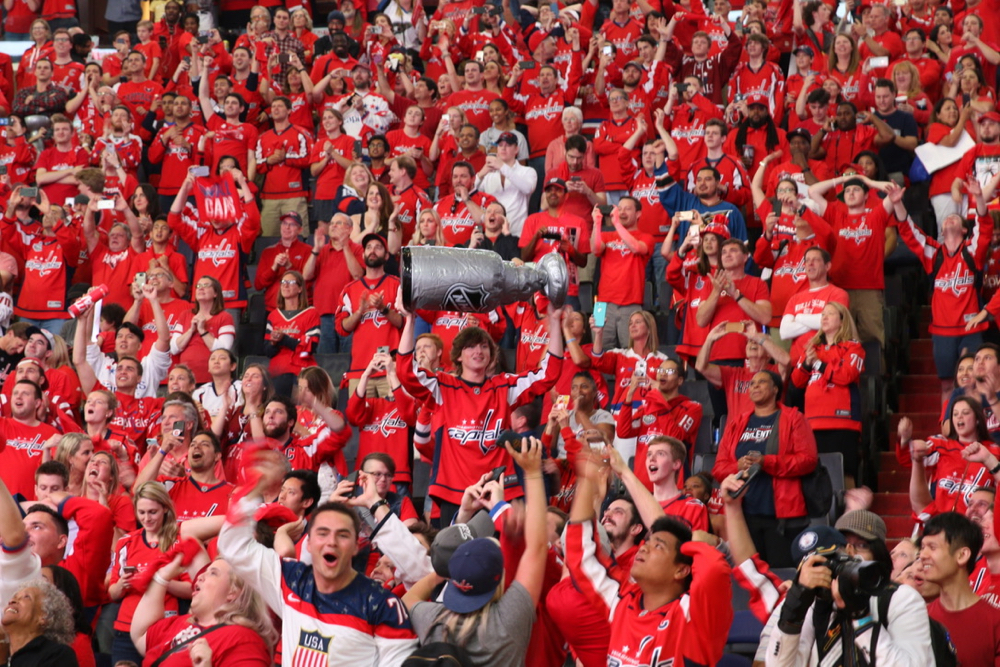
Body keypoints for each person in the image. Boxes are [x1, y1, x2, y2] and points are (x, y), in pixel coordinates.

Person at [218, 451, 419, 666]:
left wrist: (375, 503)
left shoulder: (382, 605)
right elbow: (233, 546)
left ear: (355, 546)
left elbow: (418, 569)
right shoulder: (290, 580)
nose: (331, 541)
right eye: (322, 533)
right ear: (309, 543)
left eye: (342, 535)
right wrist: (254, 488)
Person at [396, 293, 564, 524]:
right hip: (453, 491)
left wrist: (554, 322)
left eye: (484, 346)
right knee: (454, 554)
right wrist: (409, 320)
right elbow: (406, 371)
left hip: (498, 491)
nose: (478, 351)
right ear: (458, 356)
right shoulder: (443, 386)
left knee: (501, 556)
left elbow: (549, 373)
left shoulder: (505, 386)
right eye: (470, 347)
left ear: (491, 354)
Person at [565, 447, 733, 667]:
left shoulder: (694, 615)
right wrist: (586, 481)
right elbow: (580, 557)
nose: (644, 548)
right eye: (647, 542)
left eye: (658, 546)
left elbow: (714, 571)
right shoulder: (621, 601)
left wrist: (695, 542)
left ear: (681, 570)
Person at [403, 436, 547, 666]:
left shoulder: (433, 620)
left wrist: (448, 567)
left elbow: (408, 598)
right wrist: (532, 471)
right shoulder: (509, 620)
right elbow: (538, 546)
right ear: (498, 578)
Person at [764, 522, 933, 665]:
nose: (824, 572)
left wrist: (861, 618)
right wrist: (794, 612)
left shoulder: (901, 598)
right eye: (813, 567)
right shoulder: (807, 604)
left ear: (850, 552)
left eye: (830, 560)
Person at [713, 370, 819, 566]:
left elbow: (808, 460)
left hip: (783, 518)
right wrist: (737, 466)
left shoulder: (794, 418)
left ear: (775, 389)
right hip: (745, 515)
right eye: (752, 383)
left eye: (762, 382)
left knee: (782, 576)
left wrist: (766, 462)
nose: (755, 386)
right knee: (750, 577)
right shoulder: (737, 423)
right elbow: (719, 468)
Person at [131, 555, 275, 666]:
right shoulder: (183, 622)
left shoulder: (244, 640)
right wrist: (162, 577)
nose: (199, 576)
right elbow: (140, 635)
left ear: (233, 591)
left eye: (213, 573)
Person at [108, 481, 190, 665]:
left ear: (165, 509)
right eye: (142, 513)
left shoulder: (179, 542)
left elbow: (191, 590)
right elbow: (112, 593)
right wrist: (122, 585)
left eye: (153, 512)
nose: (147, 518)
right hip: (126, 628)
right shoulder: (126, 542)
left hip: (164, 629)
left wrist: (158, 581)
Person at [790, 302, 865, 487]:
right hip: (813, 421)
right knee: (816, 475)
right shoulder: (812, 348)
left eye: (830, 314)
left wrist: (819, 365)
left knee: (846, 473)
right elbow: (796, 382)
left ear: (842, 321)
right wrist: (808, 363)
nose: (824, 317)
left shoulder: (853, 347)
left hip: (843, 421)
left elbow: (846, 375)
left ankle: (850, 514)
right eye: (822, 314)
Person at [921, 512, 1000, 664]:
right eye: (922, 547)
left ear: (962, 555)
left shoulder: (995, 623)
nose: (923, 555)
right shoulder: (920, 618)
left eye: (932, 547)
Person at [265, 270, 319, 397]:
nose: (285, 285)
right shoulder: (273, 315)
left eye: (290, 282)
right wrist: (273, 343)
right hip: (277, 371)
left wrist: (283, 339)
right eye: (283, 282)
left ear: (300, 288)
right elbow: (267, 352)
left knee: (299, 410)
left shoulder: (311, 313)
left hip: (300, 372)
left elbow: (310, 348)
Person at [0, 579, 78, 666]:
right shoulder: (5, 657)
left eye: (26, 597)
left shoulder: (58, 655)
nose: (12, 601)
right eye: (14, 597)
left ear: (44, 616)